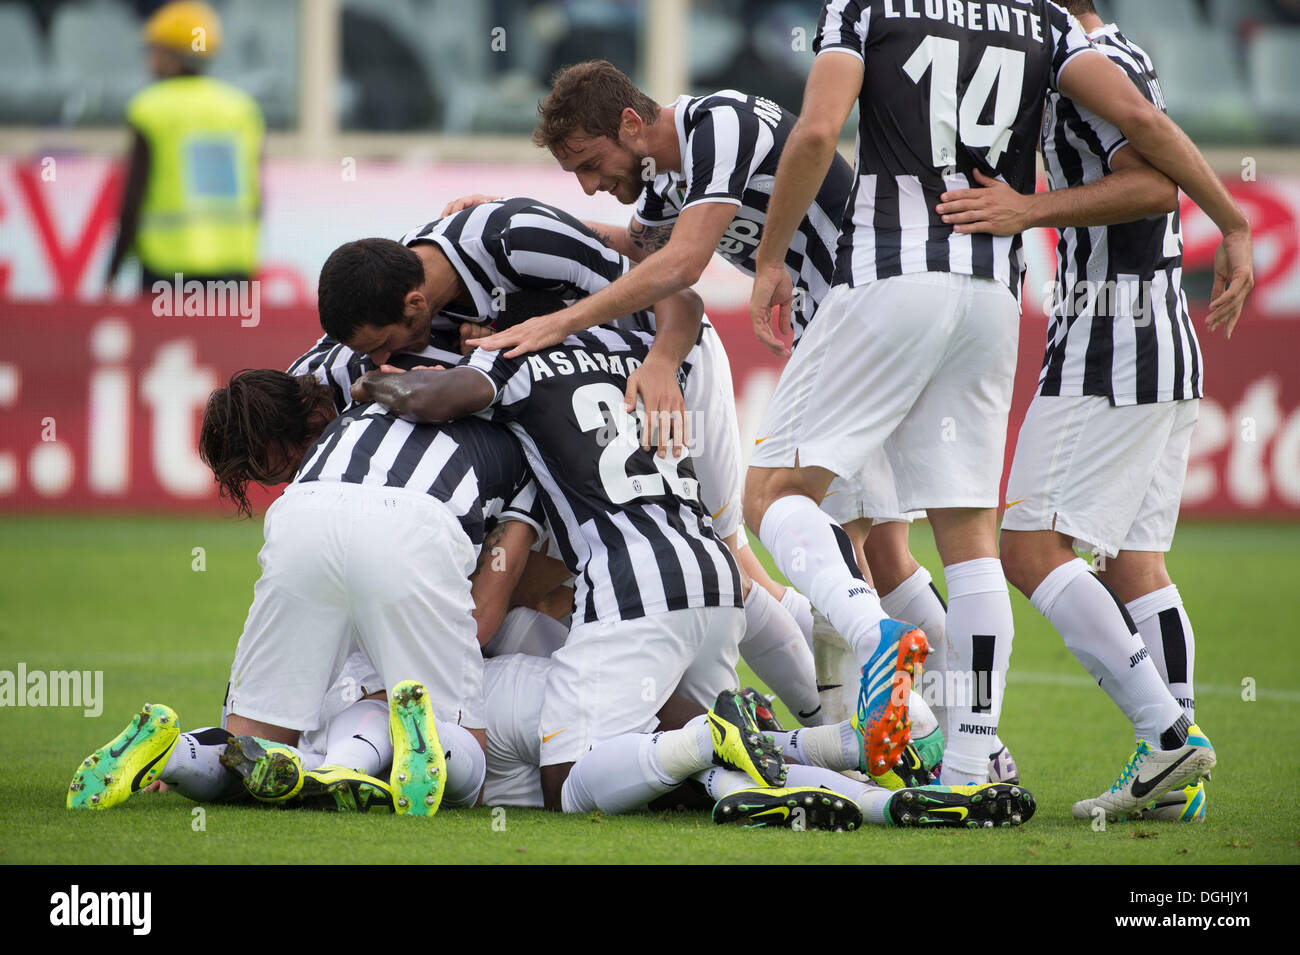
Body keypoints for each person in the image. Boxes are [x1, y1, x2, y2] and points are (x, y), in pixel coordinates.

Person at [744, 0, 1251, 804]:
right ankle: (971, 774)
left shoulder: (867, 7)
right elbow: (1136, 117)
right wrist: (1231, 219)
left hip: (896, 275)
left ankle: (878, 640)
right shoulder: (1045, 24)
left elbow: (813, 135)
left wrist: (771, 258)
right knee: (975, 542)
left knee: (773, 491)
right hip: (992, 294)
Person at [464, 63, 947, 680]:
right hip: (870, 323)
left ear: (632, 125)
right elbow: (635, 248)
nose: (589, 185)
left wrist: (556, 325)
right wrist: (520, 215)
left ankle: (885, 728)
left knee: (792, 513)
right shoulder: (668, 186)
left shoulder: (714, 122)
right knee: (882, 555)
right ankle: (968, 739)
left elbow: (681, 265)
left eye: (590, 163)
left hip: (859, 316)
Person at [932, 0, 1228, 822]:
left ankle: (1166, 732)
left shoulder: (1078, 58)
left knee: (1028, 545)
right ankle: (1175, 783)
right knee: (1136, 565)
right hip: (1157, 333)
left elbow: (1150, 184)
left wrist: (1026, 209)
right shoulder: (1118, 48)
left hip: (1112, 333)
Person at [105, 1, 264, 292]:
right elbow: (256, 197)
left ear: (173, 56)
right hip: (232, 270)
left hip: (165, 269)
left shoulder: (150, 108)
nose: (149, 59)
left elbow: (133, 199)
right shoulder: (241, 109)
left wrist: (112, 271)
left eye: (154, 49)